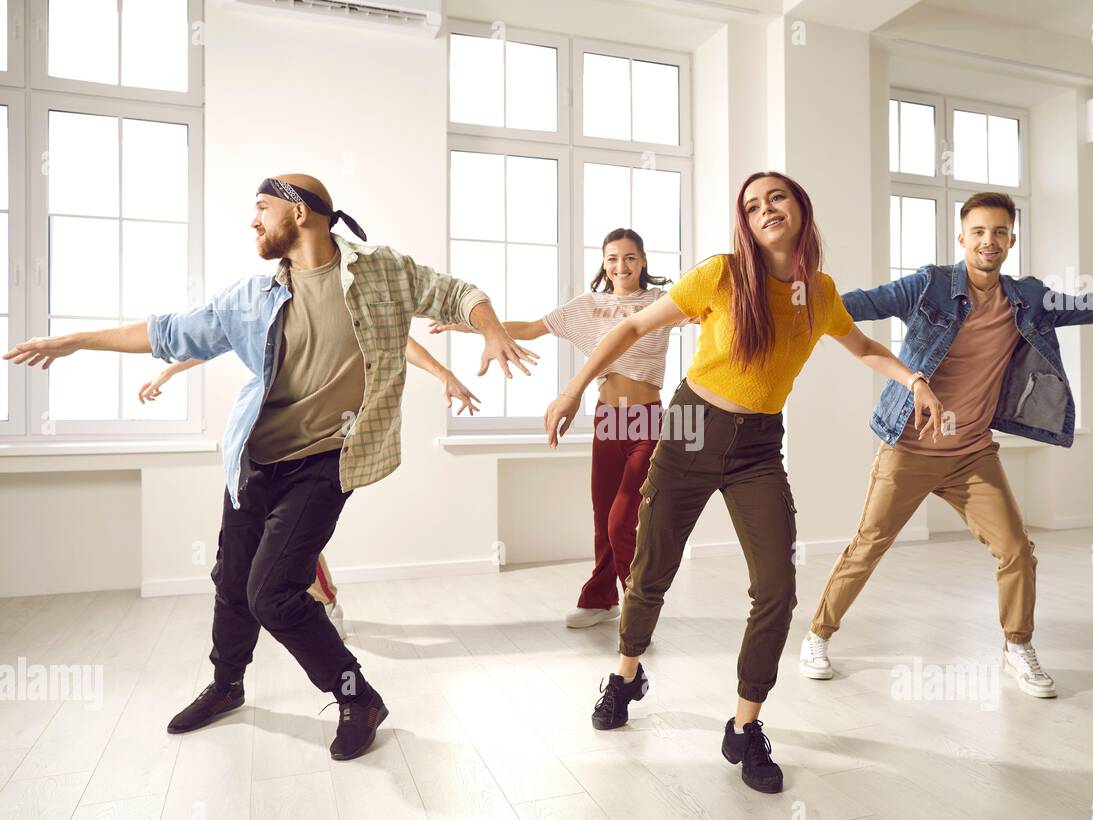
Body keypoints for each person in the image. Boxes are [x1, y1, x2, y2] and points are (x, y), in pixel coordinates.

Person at [4, 173, 536, 760]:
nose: (252, 220)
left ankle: (358, 696)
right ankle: (227, 684)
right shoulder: (254, 296)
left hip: (325, 462)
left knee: (272, 592)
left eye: (261, 207)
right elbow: (171, 333)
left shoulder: (381, 271)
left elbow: (457, 292)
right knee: (232, 582)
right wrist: (76, 340)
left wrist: (490, 332)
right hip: (253, 460)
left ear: (301, 212)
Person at [543, 171, 945, 793]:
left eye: (776, 197)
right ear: (745, 221)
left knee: (777, 587)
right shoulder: (721, 275)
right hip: (692, 430)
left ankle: (744, 725)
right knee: (651, 567)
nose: (765, 209)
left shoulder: (820, 293)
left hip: (758, 445)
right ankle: (625, 676)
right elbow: (628, 329)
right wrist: (572, 390)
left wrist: (913, 378)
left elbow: (863, 346)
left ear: (799, 208)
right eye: (752, 204)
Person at [799, 190, 1093, 697]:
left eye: (999, 232)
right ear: (962, 237)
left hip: (970, 454)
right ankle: (818, 635)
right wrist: (778, 303)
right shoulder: (929, 286)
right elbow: (852, 304)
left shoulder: (1027, 298)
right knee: (869, 546)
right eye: (979, 232)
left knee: (1016, 550)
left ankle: (1017, 645)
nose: (989, 241)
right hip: (911, 448)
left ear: (1012, 240)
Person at [136, 335, 482, 641]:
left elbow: (397, 338)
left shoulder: (348, 307)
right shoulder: (277, 311)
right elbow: (220, 335)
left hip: (315, 452)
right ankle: (300, 612)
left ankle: (325, 605)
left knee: (289, 547)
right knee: (257, 549)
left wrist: (443, 373)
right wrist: (168, 371)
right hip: (265, 447)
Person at [432, 228, 671, 631]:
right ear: (604, 262)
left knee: (622, 519)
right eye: (612, 258)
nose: (621, 266)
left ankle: (639, 603)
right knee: (602, 517)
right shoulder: (587, 306)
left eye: (630, 258)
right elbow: (529, 328)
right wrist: (470, 326)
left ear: (643, 261)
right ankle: (599, 599)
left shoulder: (659, 302)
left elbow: (705, 312)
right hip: (608, 418)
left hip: (647, 418)